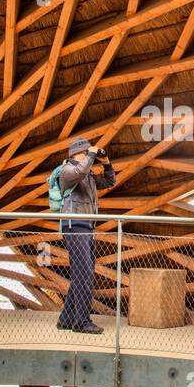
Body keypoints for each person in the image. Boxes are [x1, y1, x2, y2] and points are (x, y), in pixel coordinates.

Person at [56, 137, 116, 334]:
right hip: (74, 226)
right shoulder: (66, 171)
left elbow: (109, 181)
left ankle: (66, 320)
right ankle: (81, 322)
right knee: (84, 274)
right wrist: (91, 153)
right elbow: (79, 171)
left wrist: (106, 162)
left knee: (81, 274)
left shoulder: (88, 175)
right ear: (79, 153)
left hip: (87, 227)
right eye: (87, 152)